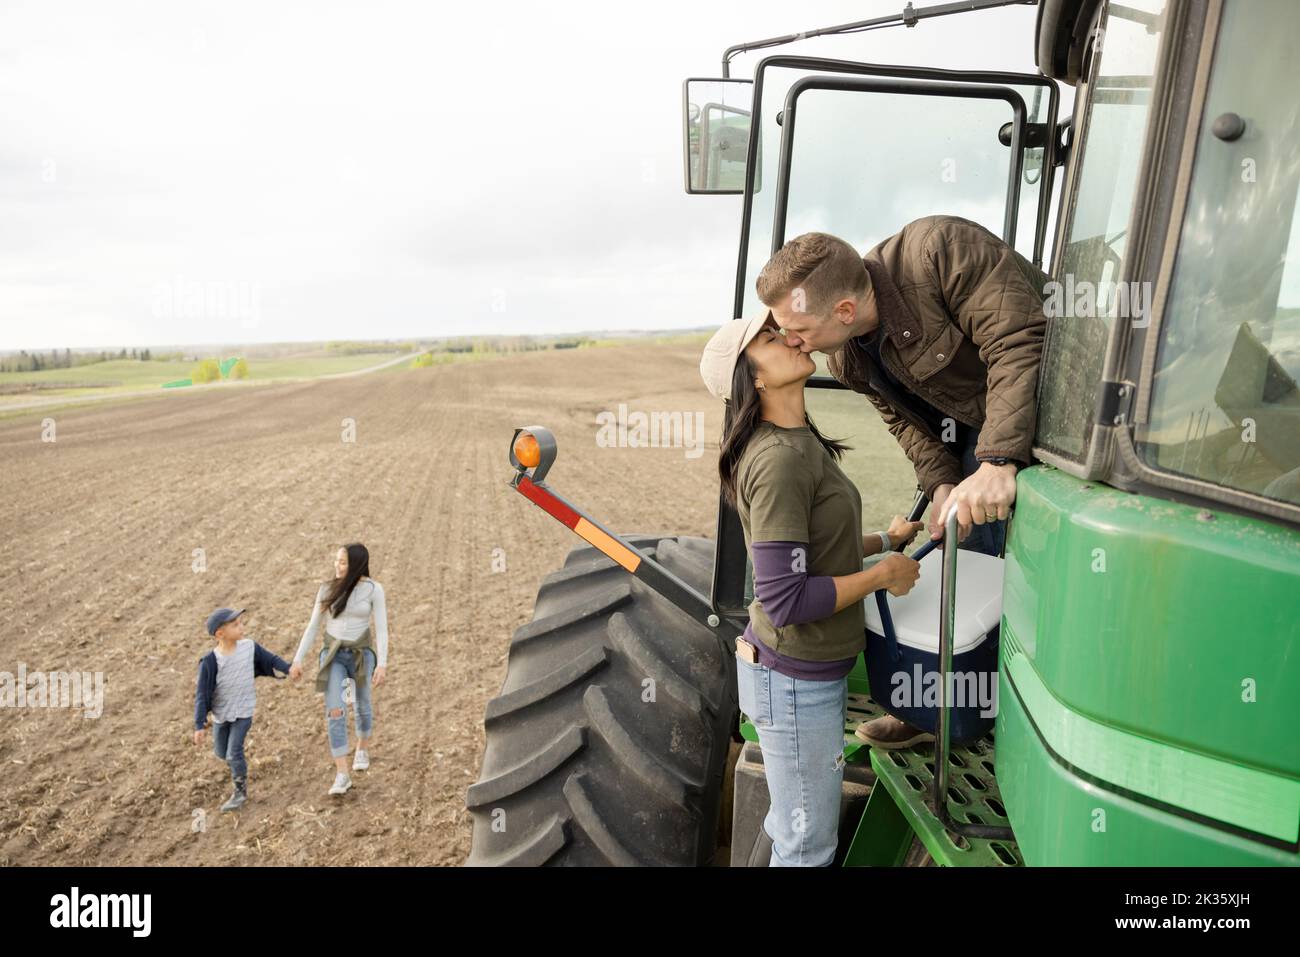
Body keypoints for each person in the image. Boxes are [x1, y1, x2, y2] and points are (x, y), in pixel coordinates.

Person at [755, 216, 1048, 749]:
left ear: (844, 310)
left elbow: (1020, 342)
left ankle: (1030, 720)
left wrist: (999, 460)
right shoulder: (846, 356)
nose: (792, 341)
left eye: (798, 330)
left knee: (1029, 579)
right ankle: (936, 709)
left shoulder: (940, 253)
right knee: (961, 564)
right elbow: (904, 420)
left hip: (1051, 422)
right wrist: (941, 483)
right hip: (978, 438)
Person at [700, 310, 922, 866]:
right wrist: (881, 576)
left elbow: (812, 549)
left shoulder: (798, 441)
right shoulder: (778, 461)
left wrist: (881, 540)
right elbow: (786, 600)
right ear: (752, 379)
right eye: (772, 339)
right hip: (793, 684)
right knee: (806, 846)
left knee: (792, 827)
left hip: (797, 679)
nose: (791, 338)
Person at [289, 543, 390, 796]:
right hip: (333, 656)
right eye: (336, 561)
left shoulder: (373, 590)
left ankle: (362, 748)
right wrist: (298, 659)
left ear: (356, 564)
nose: (337, 565)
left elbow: (382, 628)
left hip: (360, 655)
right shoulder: (327, 589)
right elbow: (313, 626)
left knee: (363, 705)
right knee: (335, 710)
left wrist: (383, 663)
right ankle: (342, 774)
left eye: (343, 562)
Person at [192, 607, 291, 812]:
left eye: (241, 622)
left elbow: (271, 660)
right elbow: (201, 694)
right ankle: (236, 765)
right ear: (220, 634)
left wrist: (289, 668)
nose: (242, 627)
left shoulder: (249, 647)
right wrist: (199, 724)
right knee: (221, 752)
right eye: (235, 625)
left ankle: (240, 792)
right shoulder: (210, 662)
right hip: (222, 714)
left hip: (244, 711)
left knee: (233, 753)